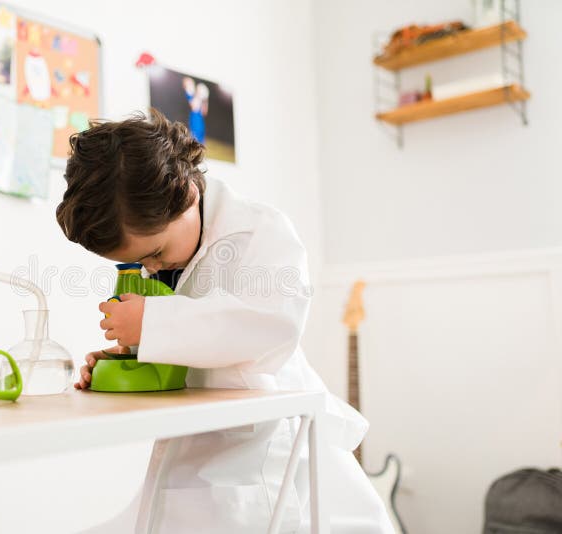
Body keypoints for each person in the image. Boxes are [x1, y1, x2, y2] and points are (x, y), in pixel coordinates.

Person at [56, 109, 393, 533]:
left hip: (262, 453)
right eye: (139, 261)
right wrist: (134, 358)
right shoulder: (163, 242)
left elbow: (270, 325)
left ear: (188, 194)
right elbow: (191, 343)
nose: (151, 268)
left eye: (155, 253)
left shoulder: (260, 233)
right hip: (194, 458)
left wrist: (154, 324)